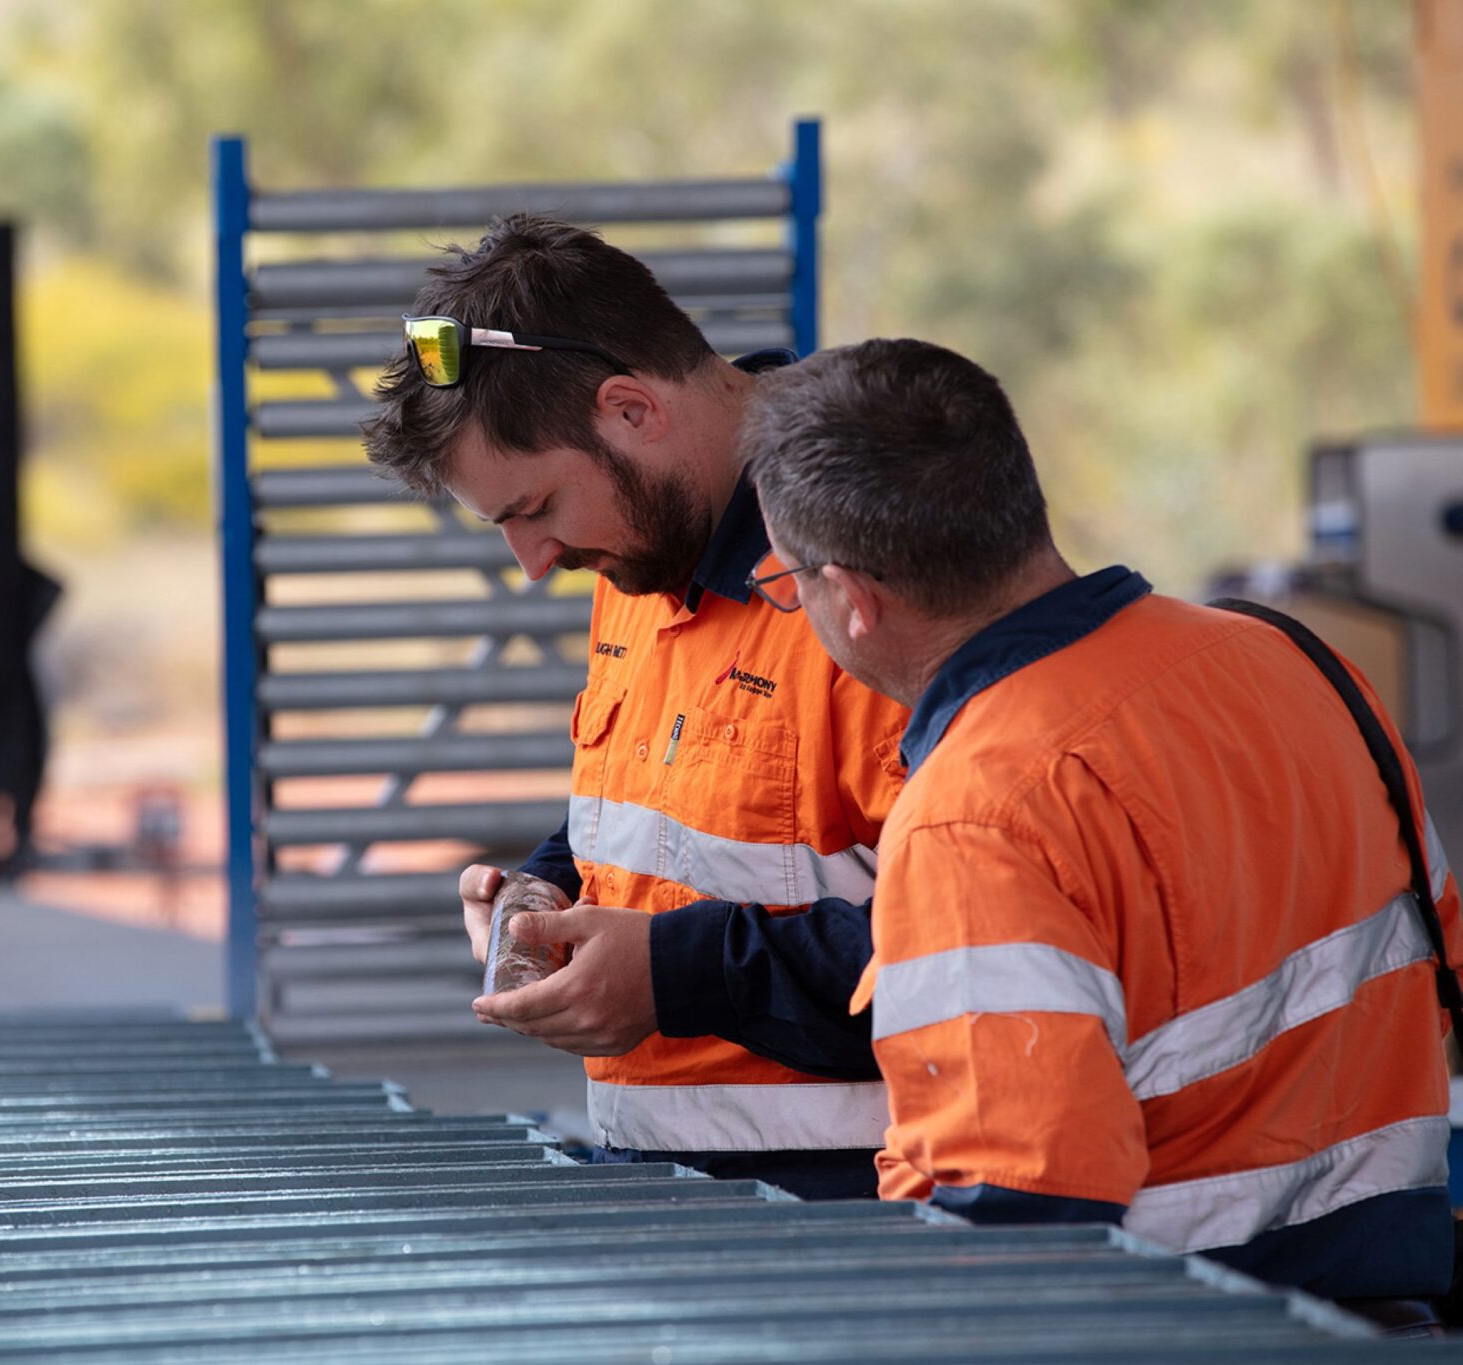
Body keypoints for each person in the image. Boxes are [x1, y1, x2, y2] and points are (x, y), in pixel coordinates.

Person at [532, 335, 1453, 1301]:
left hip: (1180, 1321)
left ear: (851, 600)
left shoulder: (980, 812)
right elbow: (1433, 958)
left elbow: (1010, 1223)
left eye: (785, 585)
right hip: (1392, 1309)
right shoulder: (1295, 661)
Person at [361, 215, 909, 1197]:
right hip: (669, 1185)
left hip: (858, 1204)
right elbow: (668, 810)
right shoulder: (643, 546)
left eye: (534, 508)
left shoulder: (876, 579)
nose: (533, 563)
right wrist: (545, 889)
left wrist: (670, 973)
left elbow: (980, 941)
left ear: (630, 410)